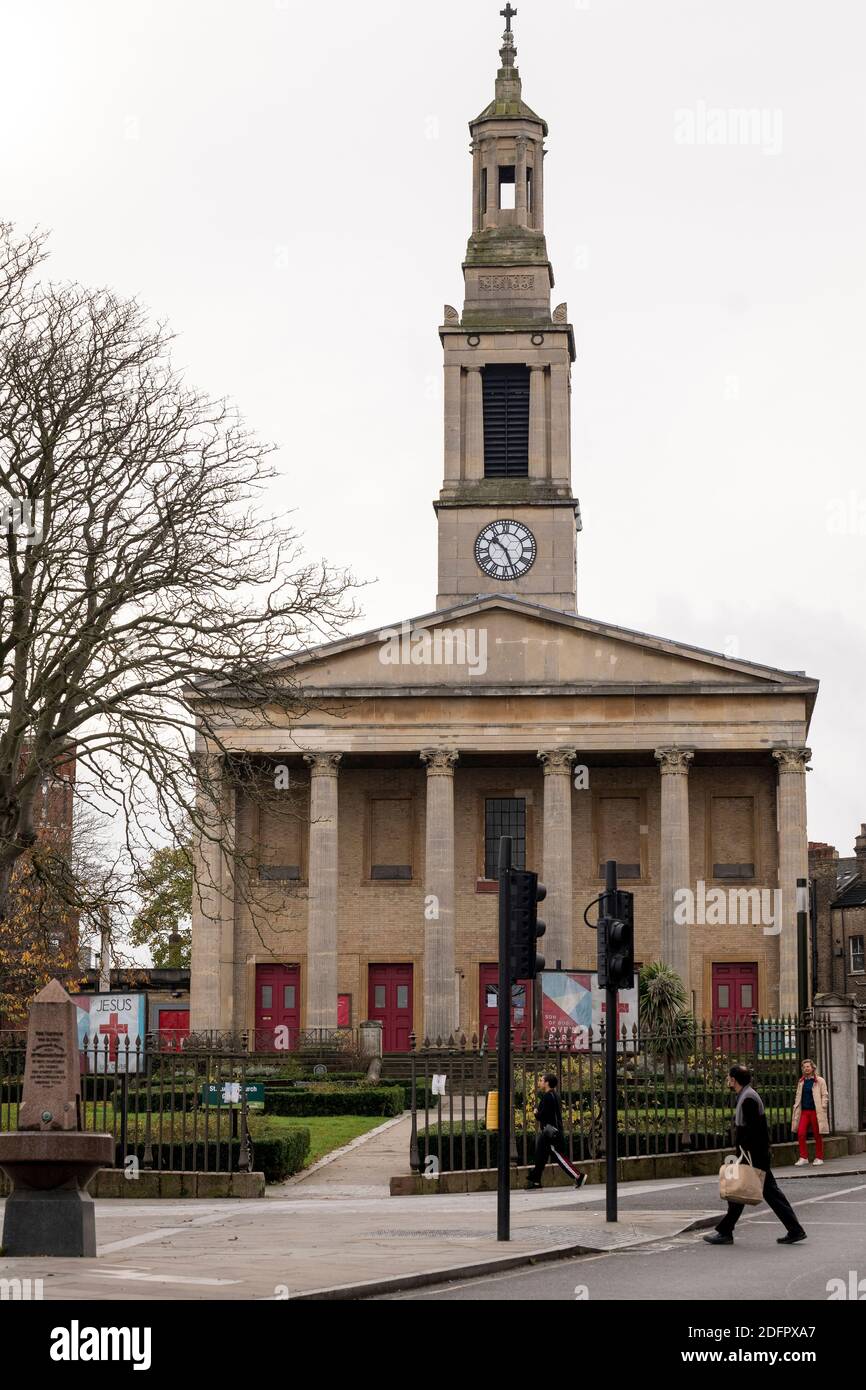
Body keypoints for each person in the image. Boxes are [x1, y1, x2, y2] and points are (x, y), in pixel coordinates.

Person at [704, 1064, 806, 1247]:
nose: (727, 1079)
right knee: (743, 1192)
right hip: (754, 1154)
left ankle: (726, 1231)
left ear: (734, 1079)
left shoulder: (748, 1098)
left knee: (746, 1191)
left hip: (753, 1155)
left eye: (729, 1077)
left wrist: (745, 1155)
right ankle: (794, 1229)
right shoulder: (747, 1094)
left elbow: (754, 1130)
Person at [526, 1072, 588, 1190]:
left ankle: (579, 1176)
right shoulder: (554, 1095)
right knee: (540, 1156)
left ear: (547, 1083)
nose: (539, 1082)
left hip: (551, 1134)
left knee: (559, 1156)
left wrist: (536, 1113)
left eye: (541, 1080)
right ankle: (535, 1181)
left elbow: (543, 1115)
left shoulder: (549, 1096)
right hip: (549, 1132)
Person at [791, 1059, 829, 1166]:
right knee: (801, 1133)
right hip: (804, 1111)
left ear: (813, 1068)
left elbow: (825, 1095)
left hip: (816, 1111)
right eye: (804, 1067)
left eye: (808, 1066)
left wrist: (823, 1106)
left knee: (817, 1134)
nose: (806, 1068)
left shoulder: (820, 1080)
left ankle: (819, 1157)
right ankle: (804, 1157)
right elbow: (798, 1096)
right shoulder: (801, 1081)